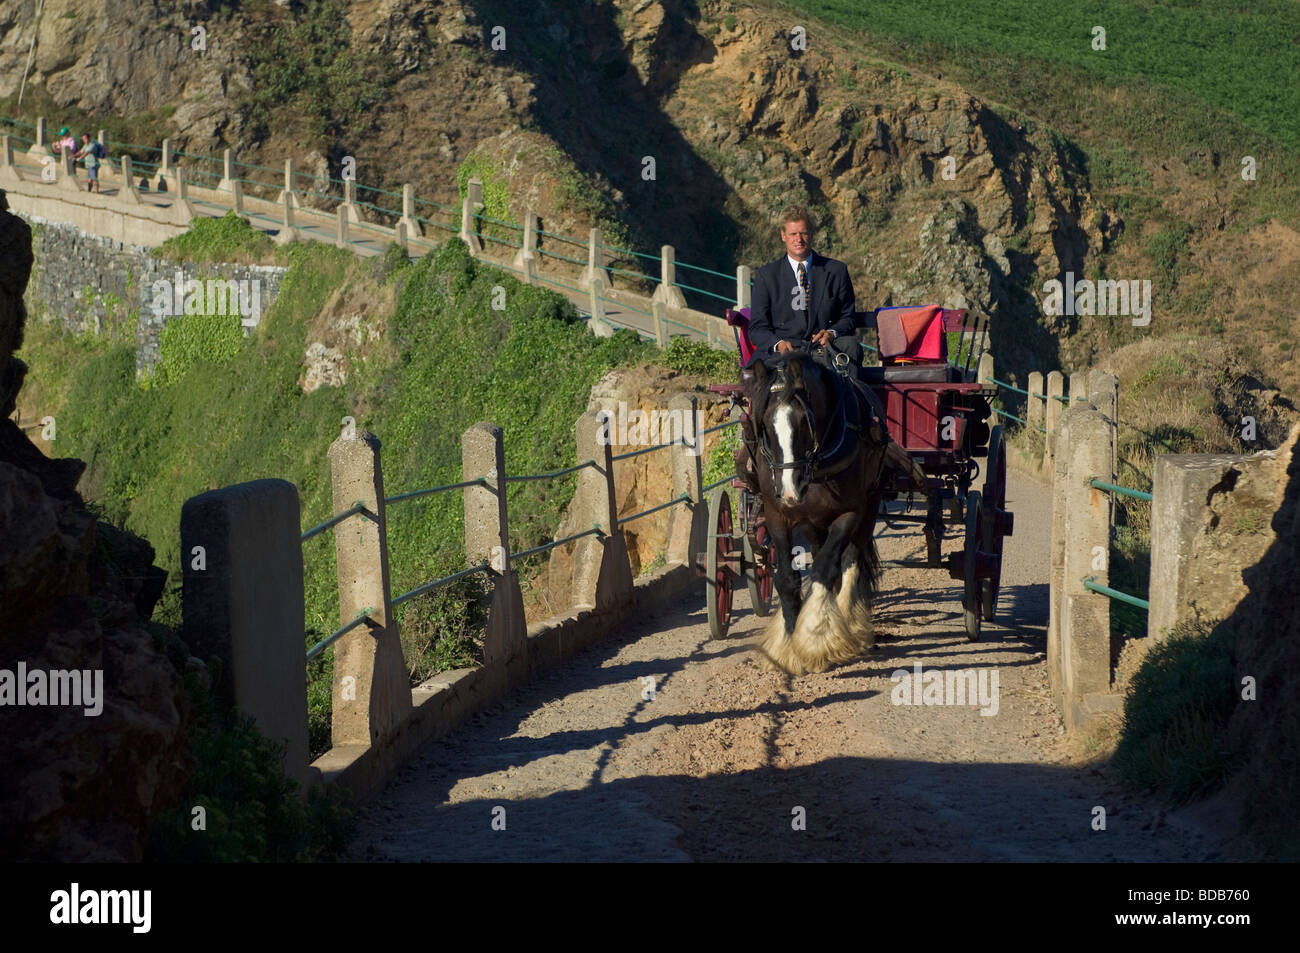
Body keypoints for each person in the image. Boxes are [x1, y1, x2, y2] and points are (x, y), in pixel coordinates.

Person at [735, 205, 868, 495]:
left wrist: (831, 333)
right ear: (783, 236)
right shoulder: (768, 276)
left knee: (851, 351)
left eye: (804, 233)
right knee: (759, 384)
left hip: (823, 350)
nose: (799, 239)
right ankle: (759, 448)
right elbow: (757, 326)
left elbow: (848, 317)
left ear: (812, 235)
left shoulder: (835, 271)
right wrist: (776, 342)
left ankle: (853, 434)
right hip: (782, 353)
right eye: (793, 234)